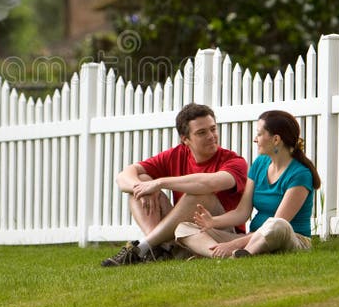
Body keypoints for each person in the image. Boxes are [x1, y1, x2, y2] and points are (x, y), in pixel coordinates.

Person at [101, 103, 248, 266]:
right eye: (202, 132)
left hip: (220, 232)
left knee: (200, 193)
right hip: (183, 231)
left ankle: (144, 246)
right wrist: (142, 187)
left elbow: (210, 183)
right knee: (141, 182)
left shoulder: (235, 161)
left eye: (213, 129)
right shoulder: (176, 154)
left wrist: (160, 182)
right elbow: (123, 177)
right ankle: (158, 248)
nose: (211, 136)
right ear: (185, 139)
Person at [174, 110, 321, 258]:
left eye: (259, 134)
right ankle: (227, 255)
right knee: (183, 228)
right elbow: (242, 212)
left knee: (277, 225)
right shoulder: (259, 164)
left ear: (276, 140)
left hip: (290, 239)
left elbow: (276, 224)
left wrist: (231, 244)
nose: (255, 139)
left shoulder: (300, 174)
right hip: (252, 238)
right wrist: (213, 222)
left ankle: (240, 252)